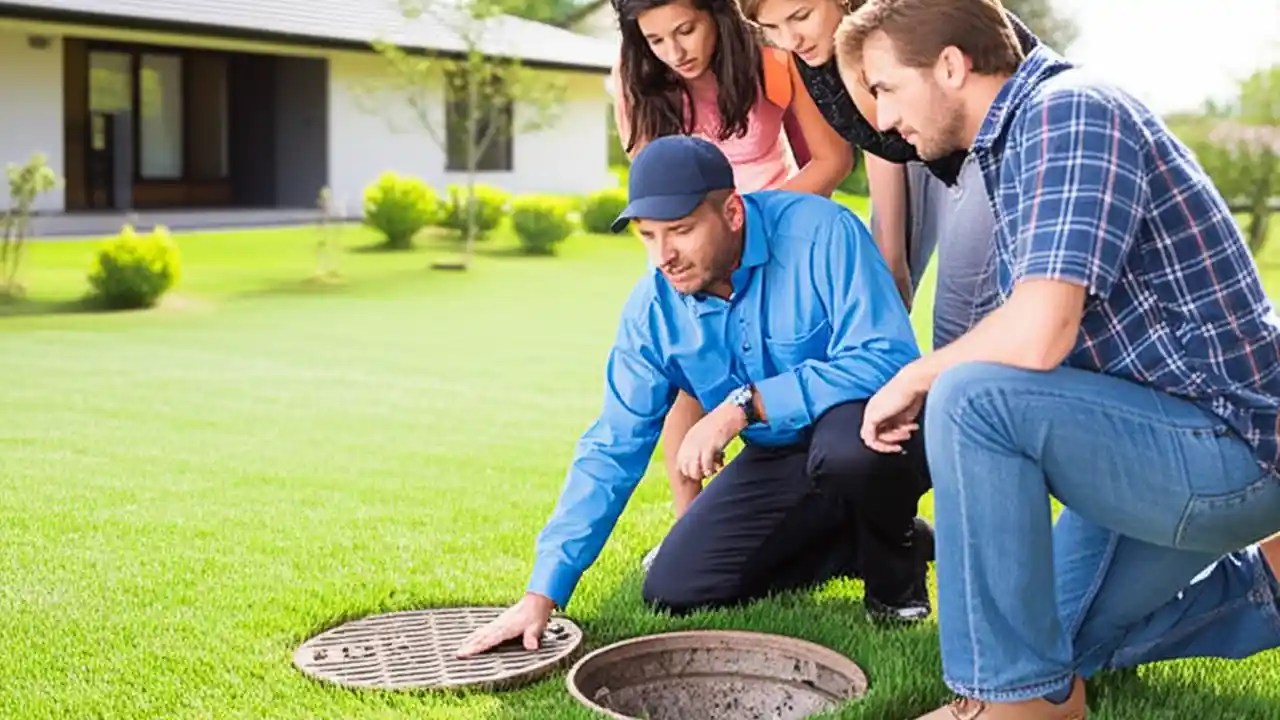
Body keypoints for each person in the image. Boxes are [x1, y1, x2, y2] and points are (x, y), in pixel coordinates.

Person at [836, 1, 1280, 718]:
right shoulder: (1019, 144)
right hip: (1154, 434)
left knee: (970, 399)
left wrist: (916, 376)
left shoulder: (1068, 111)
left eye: (886, 88)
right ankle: (1266, 589)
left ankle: (1008, 705)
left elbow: (1040, 331)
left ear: (950, 66)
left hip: (1230, 447)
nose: (883, 120)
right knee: (1051, 643)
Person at [456, 135, 934, 659]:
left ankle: (894, 568)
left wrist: (747, 406)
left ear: (732, 212)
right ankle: (856, 540)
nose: (663, 256)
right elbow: (612, 445)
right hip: (778, 453)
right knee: (676, 587)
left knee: (849, 453)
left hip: (862, 428)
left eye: (681, 231)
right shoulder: (653, 311)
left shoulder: (822, 233)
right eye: (648, 235)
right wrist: (541, 594)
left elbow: (888, 359)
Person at [610, 0, 855, 524]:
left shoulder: (773, 60)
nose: (674, 52)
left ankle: (842, 515)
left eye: (686, 30)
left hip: (777, 238)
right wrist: (699, 243)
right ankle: (686, 525)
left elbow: (832, 159)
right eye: (656, 40)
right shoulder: (637, 79)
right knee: (685, 378)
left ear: (716, 16)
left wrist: (755, 225)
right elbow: (655, 192)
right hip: (695, 245)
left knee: (807, 371)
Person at [742, 0, 1038, 350]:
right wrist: (892, 257)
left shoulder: (893, 24)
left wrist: (894, 258)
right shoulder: (812, 51)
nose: (790, 39)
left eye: (801, 16)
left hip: (989, 142)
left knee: (958, 315)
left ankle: (954, 382)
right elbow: (878, 142)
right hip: (920, 150)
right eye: (771, 28)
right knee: (876, 290)